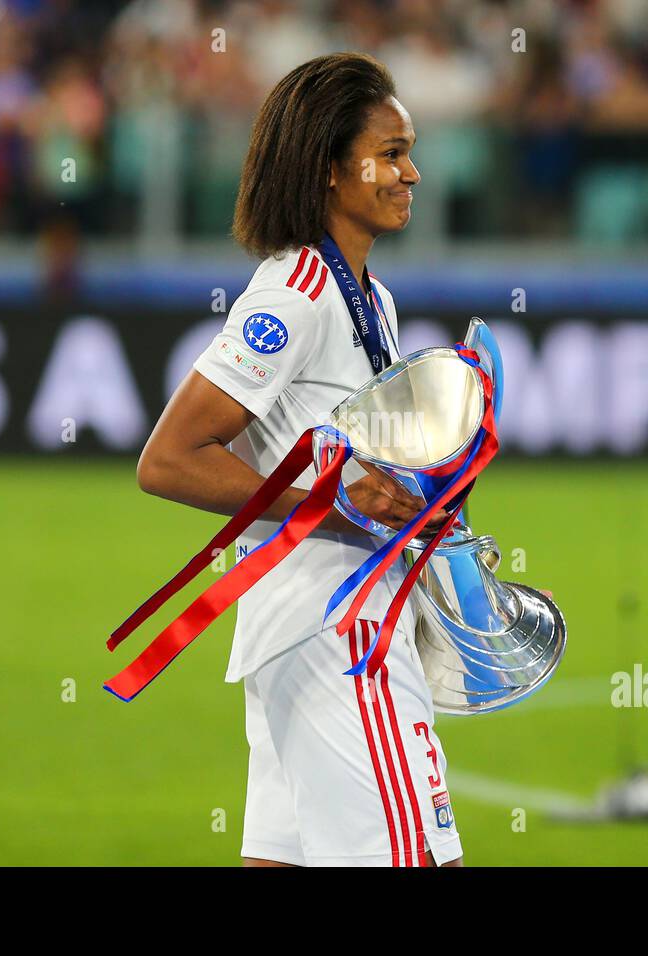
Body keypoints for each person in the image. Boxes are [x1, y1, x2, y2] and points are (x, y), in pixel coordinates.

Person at [135, 52, 463, 867]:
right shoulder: (297, 294)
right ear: (327, 168)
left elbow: (369, 483)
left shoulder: (372, 300)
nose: (412, 174)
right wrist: (332, 504)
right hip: (337, 635)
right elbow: (170, 458)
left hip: (316, 625)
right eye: (390, 154)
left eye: (410, 152)